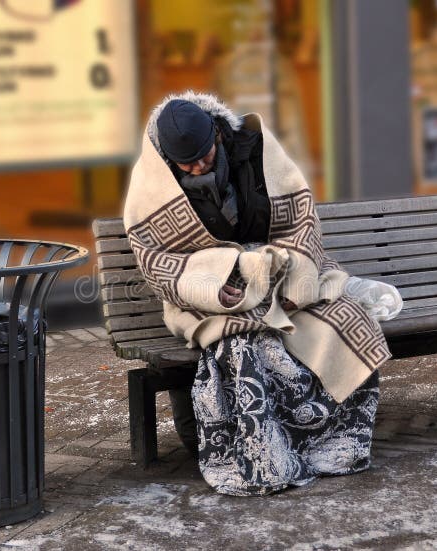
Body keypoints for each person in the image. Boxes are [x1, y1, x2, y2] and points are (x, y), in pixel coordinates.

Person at [123, 91, 402, 496]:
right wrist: (235, 273)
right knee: (244, 341)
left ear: (217, 134)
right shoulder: (152, 185)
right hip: (210, 290)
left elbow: (300, 219)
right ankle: (268, 452)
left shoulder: (253, 151)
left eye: (205, 154)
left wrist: (289, 276)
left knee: (344, 319)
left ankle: (333, 446)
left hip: (279, 272)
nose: (199, 166)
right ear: (169, 158)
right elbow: (158, 263)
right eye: (187, 163)